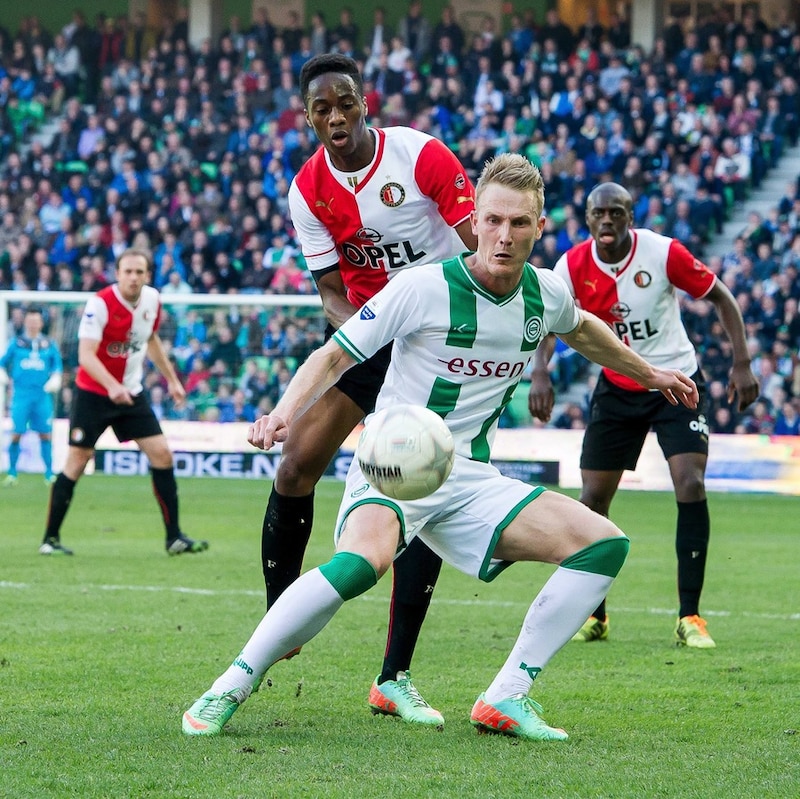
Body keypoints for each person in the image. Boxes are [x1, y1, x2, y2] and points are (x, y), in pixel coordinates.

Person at [182, 153, 698, 741]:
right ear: (474, 220)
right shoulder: (422, 287)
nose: (505, 236)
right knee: (361, 565)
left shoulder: (545, 292)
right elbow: (332, 354)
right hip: (393, 464)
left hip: (468, 475)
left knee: (602, 546)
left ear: (539, 226)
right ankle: (231, 683)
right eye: (493, 220)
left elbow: (582, 328)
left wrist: (649, 373)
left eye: (519, 223)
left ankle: (506, 696)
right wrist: (282, 412)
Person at [258, 53, 477, 726]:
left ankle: (394, 676)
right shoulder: (307, 190)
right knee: (295, 463)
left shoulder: (421, 156)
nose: (336, 116)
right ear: (308, 117)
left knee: (422, 488)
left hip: (440, 341)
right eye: (321, 108)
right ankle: (280, 618)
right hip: (368, 331)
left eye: (345, 102)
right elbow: (329, 289)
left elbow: (478, 248)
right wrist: (368, 329)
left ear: (364, 102)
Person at [529, 182, 759, 648]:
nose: (607, 220)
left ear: (630, 217)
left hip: (676, 381)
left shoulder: (662, 253)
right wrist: (540, 372)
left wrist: (741, 362)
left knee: (690, 483)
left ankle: (690, 617)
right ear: (587, 219)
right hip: (617, 387)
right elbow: (548, 323)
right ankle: (595, 616)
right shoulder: (571, 266)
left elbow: (721, 296)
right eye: (599, 213)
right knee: (591, 500)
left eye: (616, 212)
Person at [39, 249, 209, 557]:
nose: (133, 277)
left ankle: (174, 538)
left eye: (139, 272)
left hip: (130, 392)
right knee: (78, 461)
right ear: (117, 274)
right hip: (93, 394)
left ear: (147, 275)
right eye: (128, 272)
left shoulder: (152, 300)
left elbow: (151, 340)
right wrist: (111, 386)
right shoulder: (100, 303)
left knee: (162, 455)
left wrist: (172, 380)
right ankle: (50, 539)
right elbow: (85, 357)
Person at [1, 307, 63, 486]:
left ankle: (49, 473)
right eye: (30, 320)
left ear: (41, 323)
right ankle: (12, 473)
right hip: (21, 395)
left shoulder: (49, 344)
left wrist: (55, 379)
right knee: (16, 433)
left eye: (36, 321)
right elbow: (2, 363)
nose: (33, 324)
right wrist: (3, 375)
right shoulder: (16, 343)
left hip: (42, 396)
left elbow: (57, 367)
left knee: (45, 434)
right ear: (25, 322)